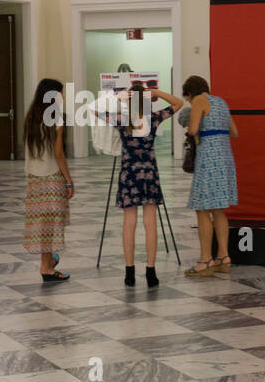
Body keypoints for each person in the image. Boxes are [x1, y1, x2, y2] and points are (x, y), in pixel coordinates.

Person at [100, 81, 183, 288]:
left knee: (129, 223)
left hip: (128, 173)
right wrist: (155, 92)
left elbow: (95, 110)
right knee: (150, 223)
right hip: (149, 174)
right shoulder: (153, 118)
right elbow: (178, 103)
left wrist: (117, 98)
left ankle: (129, 272)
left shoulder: (122, 120)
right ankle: (151, 271)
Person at [183, 75, 238, 276]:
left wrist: (190, 117)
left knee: (202, 209)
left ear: (190, 92)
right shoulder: (221, 102)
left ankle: (206, 260)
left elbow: (193, 129)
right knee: (219, 209)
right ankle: (224, 257)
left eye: (187, 97)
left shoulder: (199, 100)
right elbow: (234, 131)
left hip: (208, 157)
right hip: (225, 155)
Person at [22, 78, 74, 283]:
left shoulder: (31, 117)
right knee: (51, 224)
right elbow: (58, 153)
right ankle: (47, 267)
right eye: (61, 93)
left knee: (42, 222)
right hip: (52, 176)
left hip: (34, 178)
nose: (63, 97)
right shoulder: (56, 118)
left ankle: (49, 261)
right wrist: (69, 180)